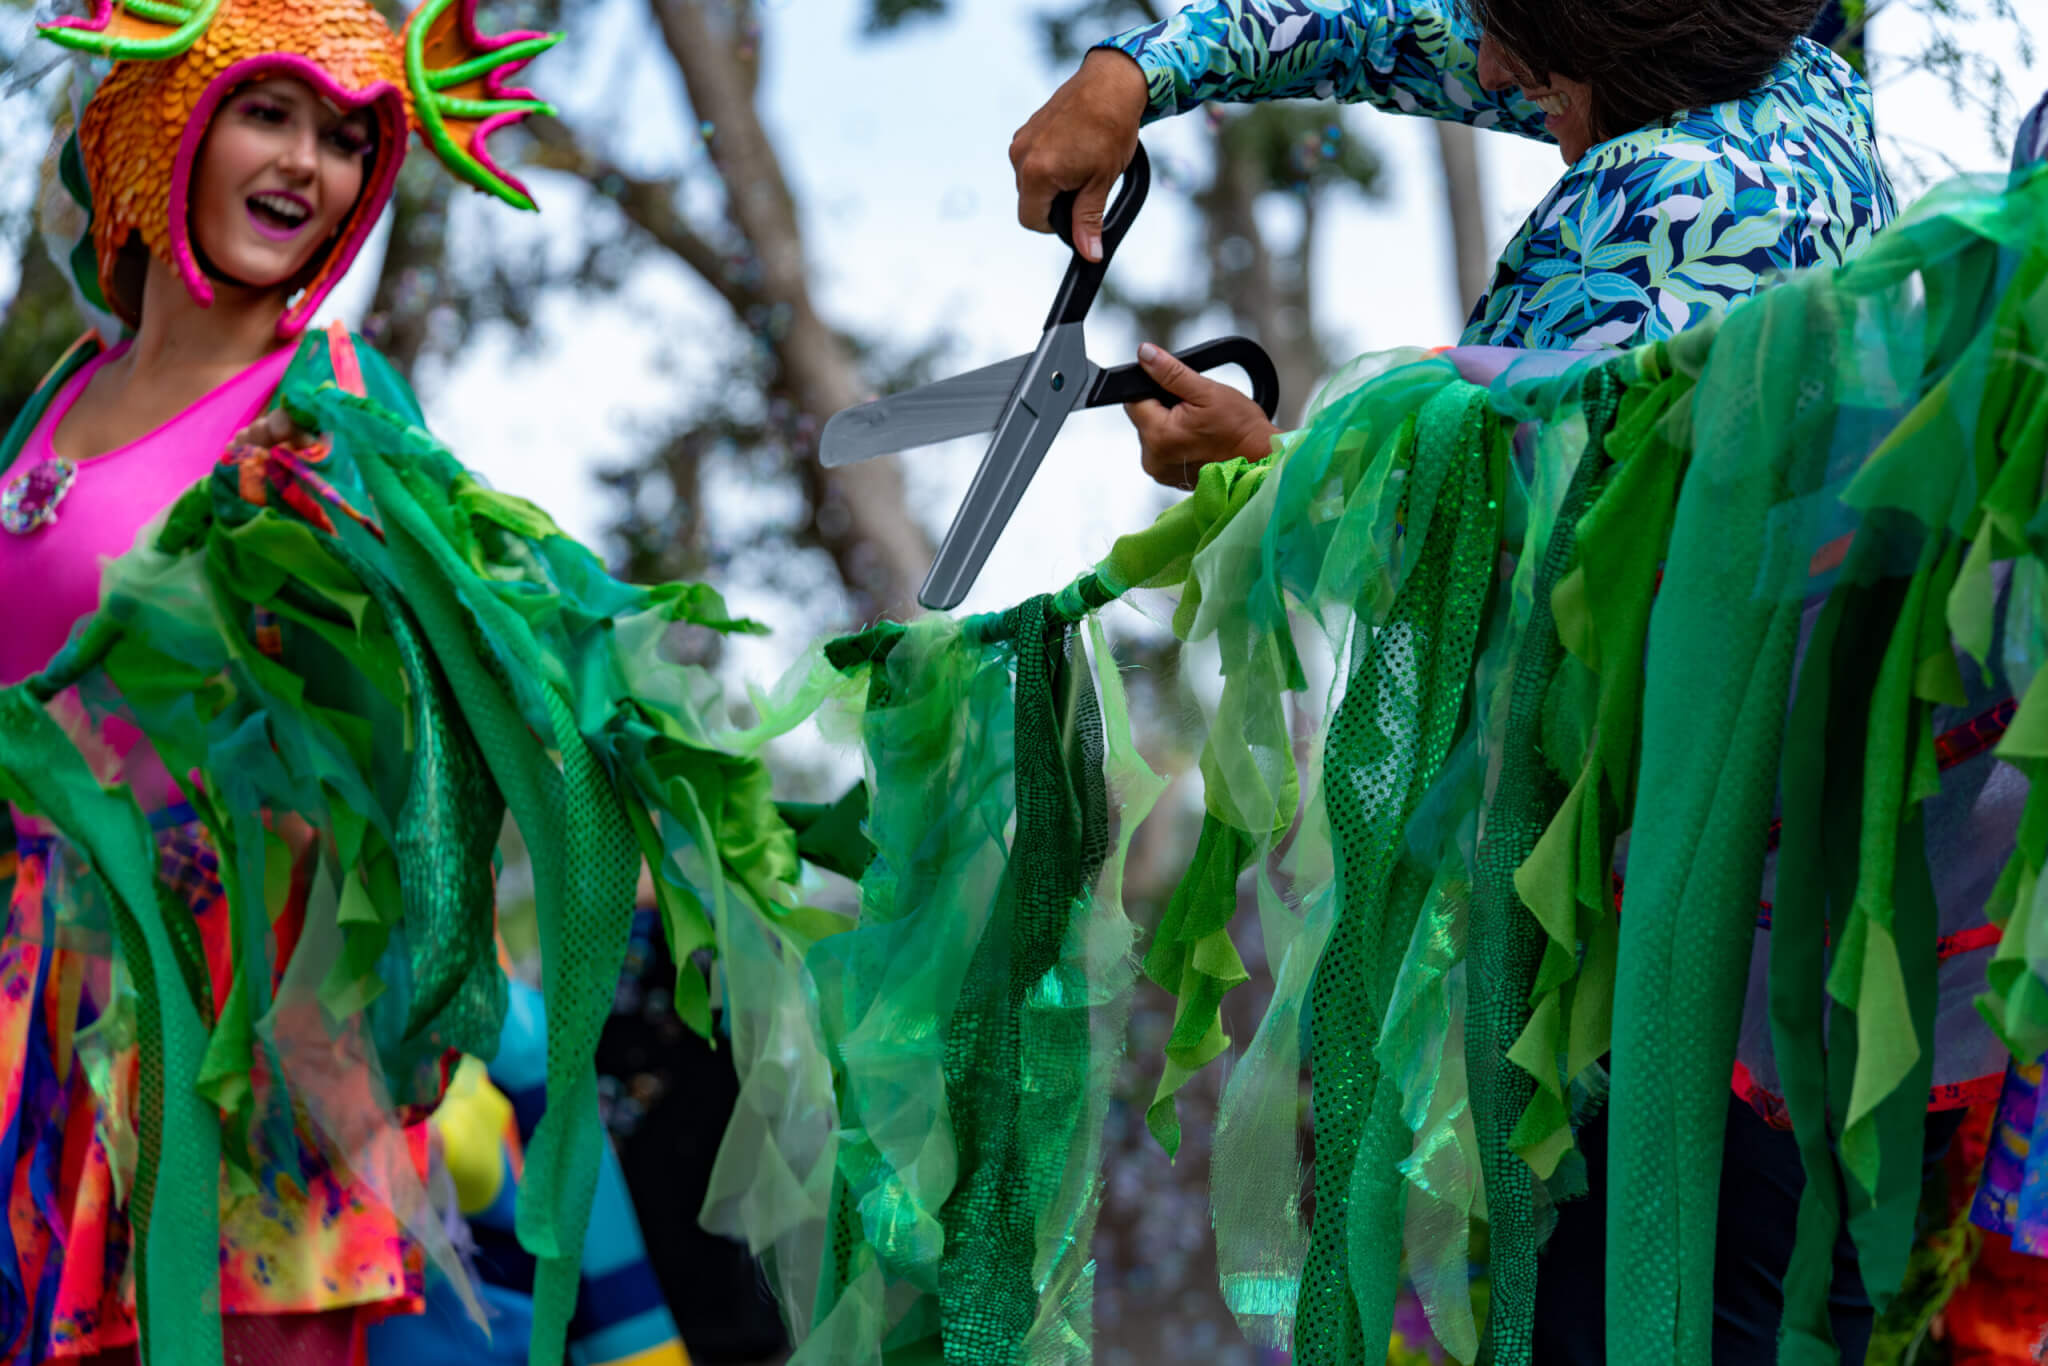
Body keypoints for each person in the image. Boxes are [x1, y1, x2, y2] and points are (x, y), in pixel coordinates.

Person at [0, 0, 799, 1360]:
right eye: (269, 112)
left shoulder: (330, 407)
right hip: (30, 1003)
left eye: (348, 139)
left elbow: (427, 733)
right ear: (168, 127)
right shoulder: (56, 397)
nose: (310, 164)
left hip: (234, 1016)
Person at [1006, 0, 1891, 488]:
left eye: (1513, 34)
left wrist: (1261, 466)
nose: (1494, 71)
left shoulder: (1638, 213)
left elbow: (1475, 541)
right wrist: (1132, 71)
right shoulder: (1803, 90)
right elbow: (1382, 33)